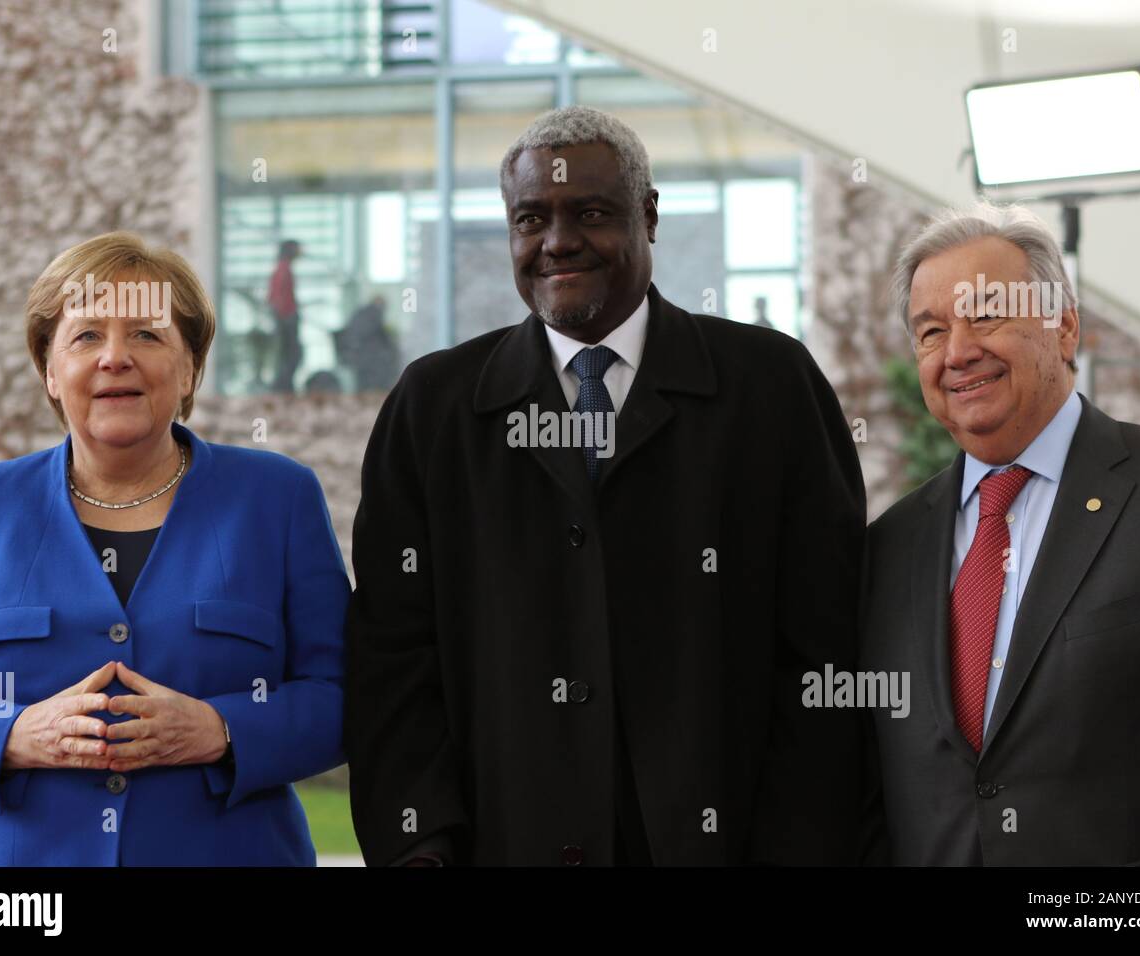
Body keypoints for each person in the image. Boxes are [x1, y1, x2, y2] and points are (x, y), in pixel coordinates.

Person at [346, 106, 867, 866]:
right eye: (531, 219)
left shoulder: (772, 386)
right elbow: (393, 660)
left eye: (590, 213)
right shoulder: (432, 410)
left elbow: (827, 651)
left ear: (647, 216)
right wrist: (421, 845)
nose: (558, 242)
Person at [0, 232, 349, 865]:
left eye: (146, 334)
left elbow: (344, 695)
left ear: (191, 366)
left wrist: (222, 730)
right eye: (86, 336)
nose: (115, 357)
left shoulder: (277, 499)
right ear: (50, 371)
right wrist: (10, 736)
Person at [862, 202, 1140, 865]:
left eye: (986, 314)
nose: (958, 352)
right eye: (931, 331)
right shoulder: (891, 546)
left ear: (1065, 328)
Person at [268, 239, 302, 392]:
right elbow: (277, 297)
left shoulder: (281, 268)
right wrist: (286, 316)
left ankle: (284, 385)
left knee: (290, 353)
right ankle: (283, 386)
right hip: (286, 318)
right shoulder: (283, 269)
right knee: (292, 354)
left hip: (285, 317)